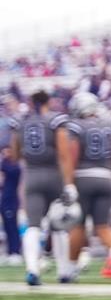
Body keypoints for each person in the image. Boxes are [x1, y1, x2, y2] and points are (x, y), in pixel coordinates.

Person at [7, 90, 69, 286]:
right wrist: (68, 183)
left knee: (33, 226)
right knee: (59, 225)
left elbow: (15, 155)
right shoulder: (55, 121)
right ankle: (64, 271)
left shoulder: (21, 123)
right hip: (53, 175)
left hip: (32, 176)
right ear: (48, 101)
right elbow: (64, 153)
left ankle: (32, 269)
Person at [63, 92, 111, 280]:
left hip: (83, 176)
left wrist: (69, 183)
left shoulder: (76, 126)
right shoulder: (110, 125)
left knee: (78, 226)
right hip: (106, 177)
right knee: (103, 226)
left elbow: (72, 156)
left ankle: (70, 269)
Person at [1, 147, 20, 265]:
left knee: (12, 227)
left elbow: (9, 171)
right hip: (4, 200)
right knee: (7, 227)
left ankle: (15, 252)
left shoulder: (14, 166)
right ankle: (9, 252)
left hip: (11, 200)